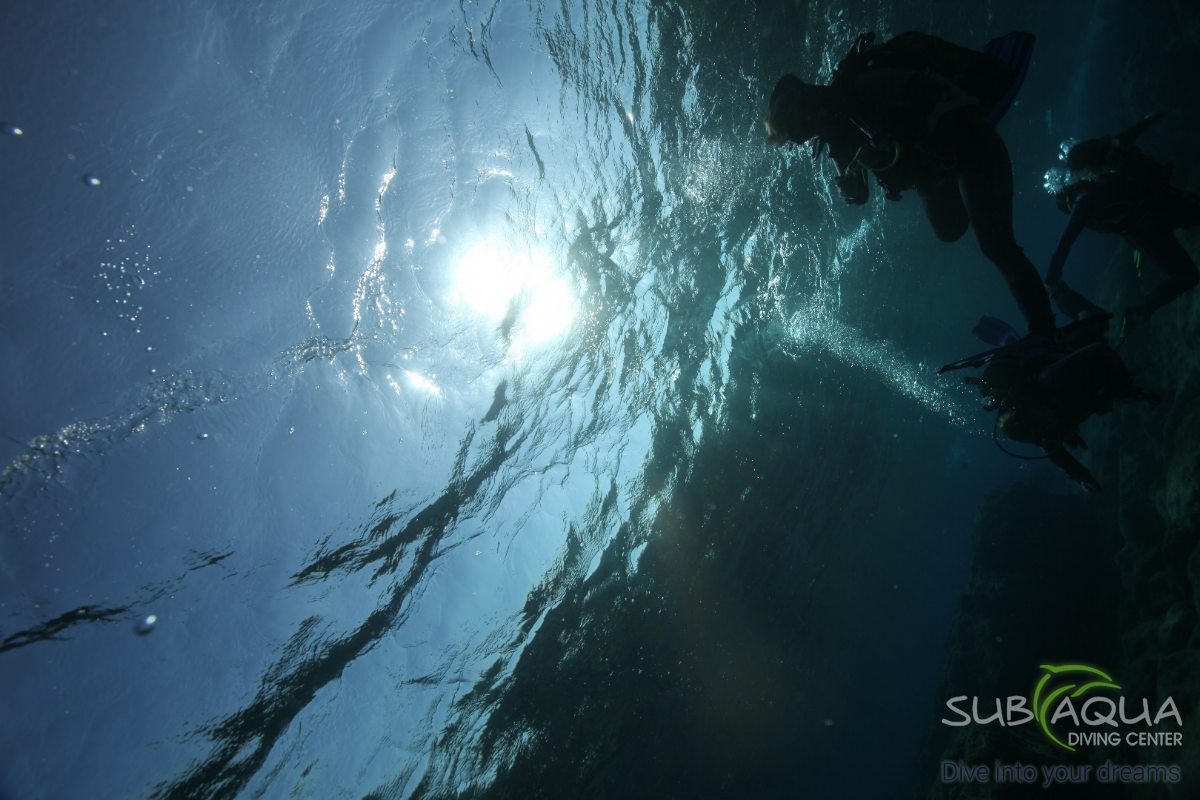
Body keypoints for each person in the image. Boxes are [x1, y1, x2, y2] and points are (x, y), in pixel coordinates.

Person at [766, 31, 1056, 337]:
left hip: (969, 144)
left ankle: (1045, 329)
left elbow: (928, 92)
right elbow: (860, 186)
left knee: (996, 244)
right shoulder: (836, 138)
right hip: (932, 172)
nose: (799, 139)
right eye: (792, 138)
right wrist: (854, 191)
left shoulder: (861, 86)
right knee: (949, 230)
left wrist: (894, 140)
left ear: (802, 106)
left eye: (793, 131)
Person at [943, 291, 1158, 491]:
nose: (1049, 435)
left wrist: (1125, 388)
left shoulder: (1044, 385)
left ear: (1034, 412)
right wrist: (1084, 478)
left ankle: (1056, 288)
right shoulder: (1038, 430)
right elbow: (1059, 456)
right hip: (1077, 375)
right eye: (1044, 436)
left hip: (1068, 357)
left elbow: (1100, 352)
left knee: (1096, 320)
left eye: (1046, 431)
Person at [1044, 111, 1200, 337]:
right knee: (1186, 275)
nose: (1117, 149)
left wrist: (1147, 122)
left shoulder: (1105, 160)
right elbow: (1066, 241)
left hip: (1152, 206)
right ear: (1097, 164)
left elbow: (1121, 140)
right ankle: (1139, 312)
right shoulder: (1088, 197)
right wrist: (1052, 281)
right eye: (1110, 150)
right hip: (1142, 230)